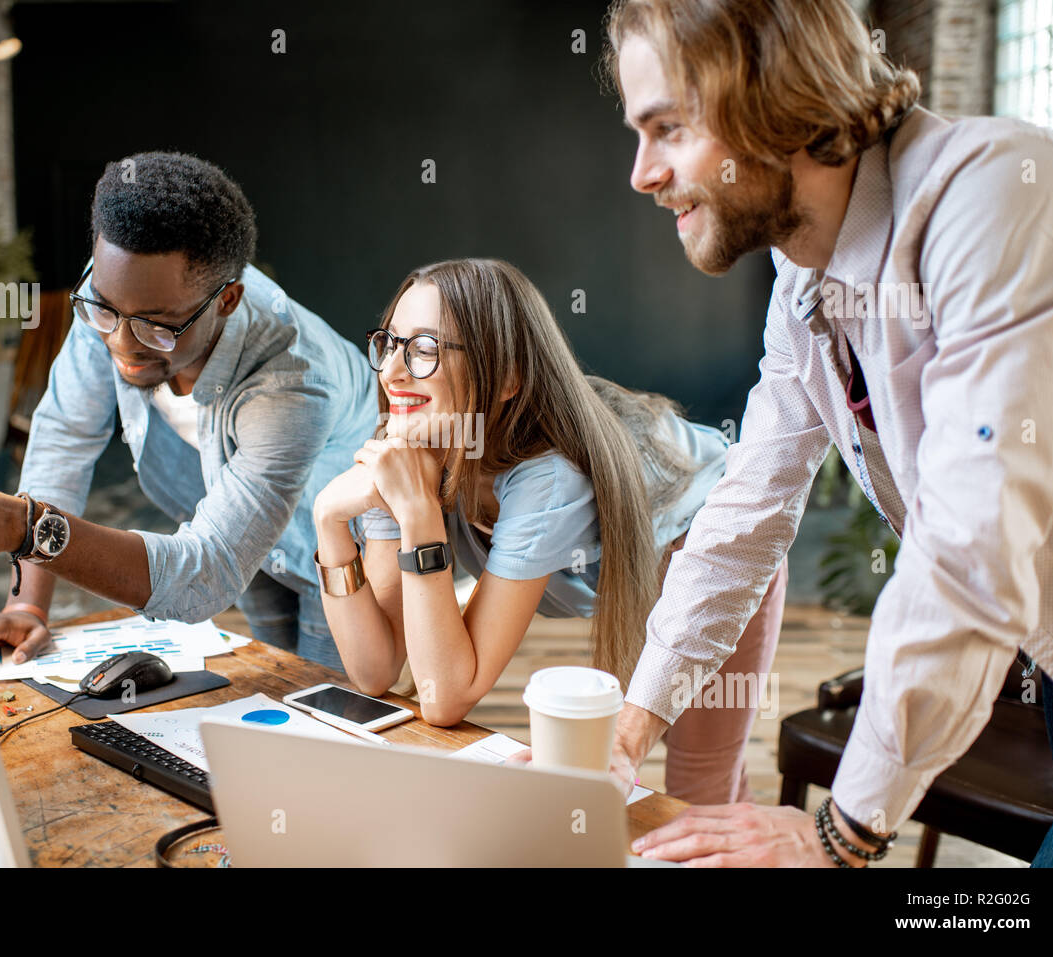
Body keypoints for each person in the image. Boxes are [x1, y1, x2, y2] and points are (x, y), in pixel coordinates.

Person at [602, 0, 1053, 866]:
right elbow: (748, 509)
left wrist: (839, 833)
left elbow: (969, 547)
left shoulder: (996, 197)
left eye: (667, 127)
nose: (641, 172)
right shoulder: (804, 276)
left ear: (770, 96)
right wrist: (633, 724)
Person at [311, 257, 787, 804]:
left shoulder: (548, 476)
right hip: (639, 551)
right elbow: (376, 670)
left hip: (717, 538)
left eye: (424, 350)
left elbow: (446, 697)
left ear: (508, 378)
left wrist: (420, 520)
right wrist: (330, 525)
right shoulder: (406, 450)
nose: (392, 371)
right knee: (720, 782)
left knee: (700, 781)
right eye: (391, 343)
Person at [0, 152, 376, 671]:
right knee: (278, 680)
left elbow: (210, 572)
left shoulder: (290, 384)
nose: (120, 343)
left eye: (157, 325)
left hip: (345, 551)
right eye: (104, 309)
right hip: (240, 528)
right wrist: (27, 603)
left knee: (329, 711)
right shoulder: (118, 290)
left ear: (227, 300)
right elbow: (65, 435)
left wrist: (24, 527)